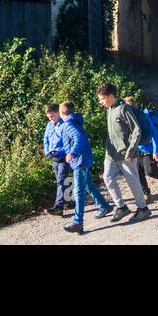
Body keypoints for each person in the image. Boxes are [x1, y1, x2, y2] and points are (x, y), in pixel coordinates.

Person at [97, 82, 151, 223]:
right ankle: (121, 207)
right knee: (107, 177)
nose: (101, 102)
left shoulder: (124, 109)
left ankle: (143, 209)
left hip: (127, 153)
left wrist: (131, 149)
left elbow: (136, 130)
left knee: (133, 181)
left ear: (110, 96)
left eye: (102, 99)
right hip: (111, 153)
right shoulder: (109, 110)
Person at [59, 101, 113, 235]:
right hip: (82, 160)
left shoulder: (68, 124)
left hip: (80, 161)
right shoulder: (74, 121)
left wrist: (73, 153)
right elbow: (73, 140)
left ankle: (78, 222)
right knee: (89, 186)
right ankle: (104, 206)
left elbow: (80, 139)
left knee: (78, 192)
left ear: (61, 113)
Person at [125, 95, 158, 198]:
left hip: (148, 149)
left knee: (150, 172)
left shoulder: (143, 117)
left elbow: (154, 133)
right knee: (138, 173)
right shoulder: (126, 120)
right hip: (135, 151)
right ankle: (146, 194)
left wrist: (155, 150)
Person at [42, 102, 71, 214]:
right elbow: (46, 140)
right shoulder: (49, 125)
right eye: (48, 117)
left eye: (52, 116)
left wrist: (58, 152)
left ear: (58, 113)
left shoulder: (65, 124)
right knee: (63, 179)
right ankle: (68, 201)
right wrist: (47, 152)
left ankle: (58, 206)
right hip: (53, 157)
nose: (50, 119)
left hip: (63, 156)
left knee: (61, 180)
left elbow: (68, 143)